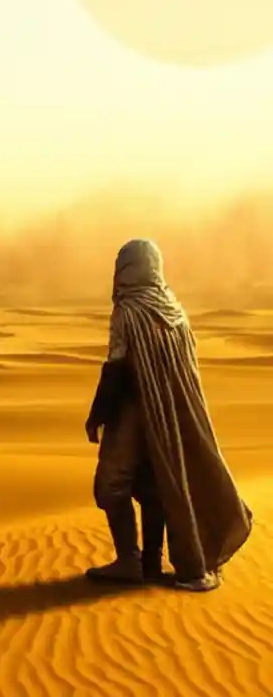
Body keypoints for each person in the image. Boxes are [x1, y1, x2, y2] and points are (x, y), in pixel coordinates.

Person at [84, 238, 253, 592]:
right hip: (171, 416)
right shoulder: (175, 310)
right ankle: (149, 562)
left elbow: (116, 367)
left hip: (134, 410)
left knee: (112, 485)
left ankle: (130, 561)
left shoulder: (128, 311)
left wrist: (98, 415)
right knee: (156, 482)